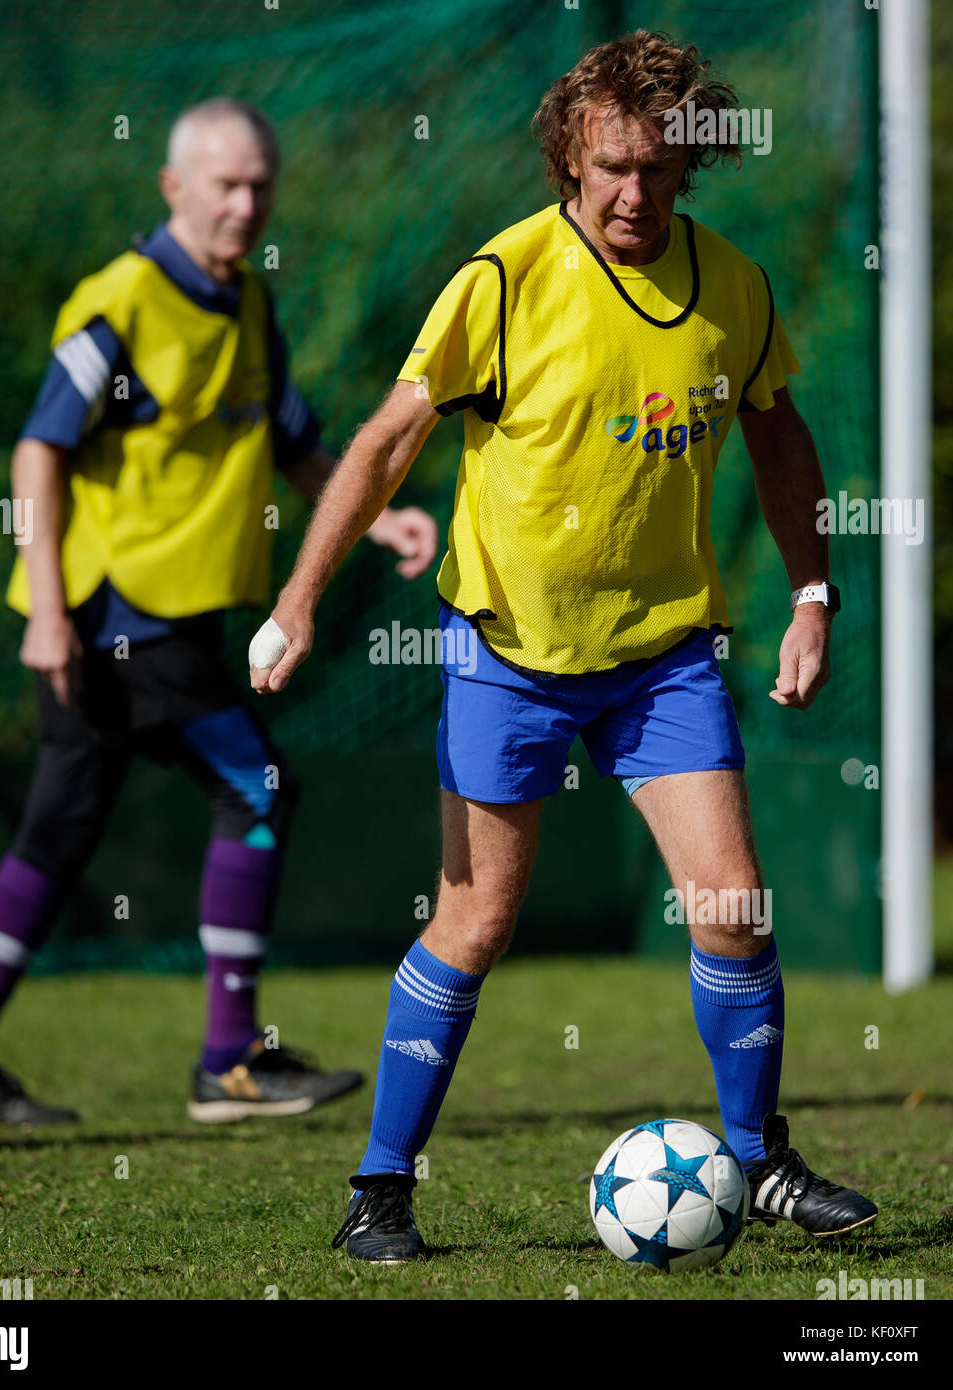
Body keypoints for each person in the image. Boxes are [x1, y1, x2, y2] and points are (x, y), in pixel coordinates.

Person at [249, 32, 878, 1260]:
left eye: (655, 164)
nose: (633, 191)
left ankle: (755, 1163)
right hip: (508, 653)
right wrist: (300, 597)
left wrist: (811, 592)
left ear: (687, 165)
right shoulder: (502, 278)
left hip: (661, 660)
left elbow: (780, 433)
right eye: (610, 166)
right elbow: (384, 439)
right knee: (473, 925)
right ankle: (380, 1188)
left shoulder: (732, 287)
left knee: (734, 909)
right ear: (568, 162)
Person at [0, 98, 437, 1130]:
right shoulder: (122, 301)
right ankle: (230, 1059)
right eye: (225, 184)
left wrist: (377, 521)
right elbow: (36, 449)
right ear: (172, 187)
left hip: (164, 619)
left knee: (59, 827)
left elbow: (295, 445)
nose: (244, 204)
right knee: (257, 784)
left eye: (259, 186)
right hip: (117, 616)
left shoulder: (245, 302)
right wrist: (48, 611)